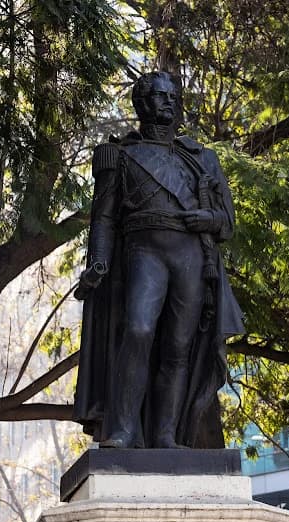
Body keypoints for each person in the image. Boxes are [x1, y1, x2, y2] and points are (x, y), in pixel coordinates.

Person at [72, 71, 244, 449]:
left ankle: (167, 435)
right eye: (160, 96)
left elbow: (227, 222)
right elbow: (103, 218)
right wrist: (98, 263)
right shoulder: (120, 155)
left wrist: (207, 219)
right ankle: (122, 430)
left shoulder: (202, 160)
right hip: (143, 250)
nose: (169, 101)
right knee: (137, 331)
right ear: (142, 103)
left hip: (191, 256)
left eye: (172, 96)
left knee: (178, 347)